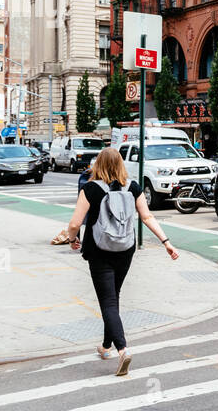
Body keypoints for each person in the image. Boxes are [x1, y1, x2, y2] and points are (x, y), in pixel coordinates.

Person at [64, 148, 181, 375]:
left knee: (107, 301)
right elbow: (147, 217)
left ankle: (123, 349)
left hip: (99, 250)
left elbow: (74, 224)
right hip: (125, 250)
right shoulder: (133, 187)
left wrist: (71, 240)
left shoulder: (89, 189)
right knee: (113, 297)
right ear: (120, 164)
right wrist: (166, 242)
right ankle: (106, 345)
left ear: (98, 165)